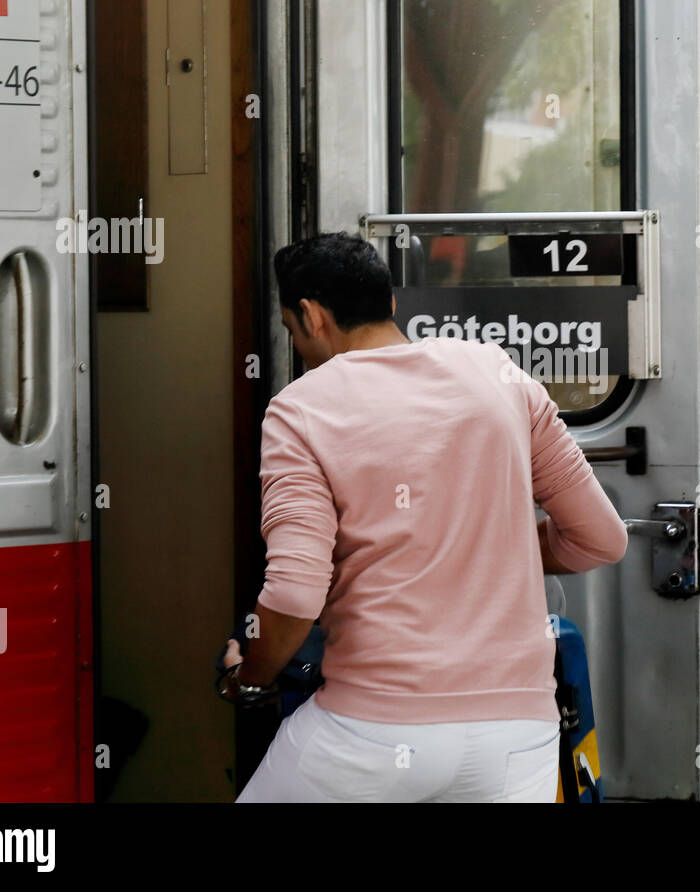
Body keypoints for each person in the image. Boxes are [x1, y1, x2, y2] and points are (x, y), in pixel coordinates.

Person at [220, 231, 628, 802]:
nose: (299, 344)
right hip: (518, 739)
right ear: (390, 302)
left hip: (370, 731)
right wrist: (484, 544)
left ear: (311, 316)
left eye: (291, 329)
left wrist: (250, 678)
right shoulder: (500, 374)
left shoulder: (299, 409)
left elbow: (293, 595)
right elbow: (602, 539)